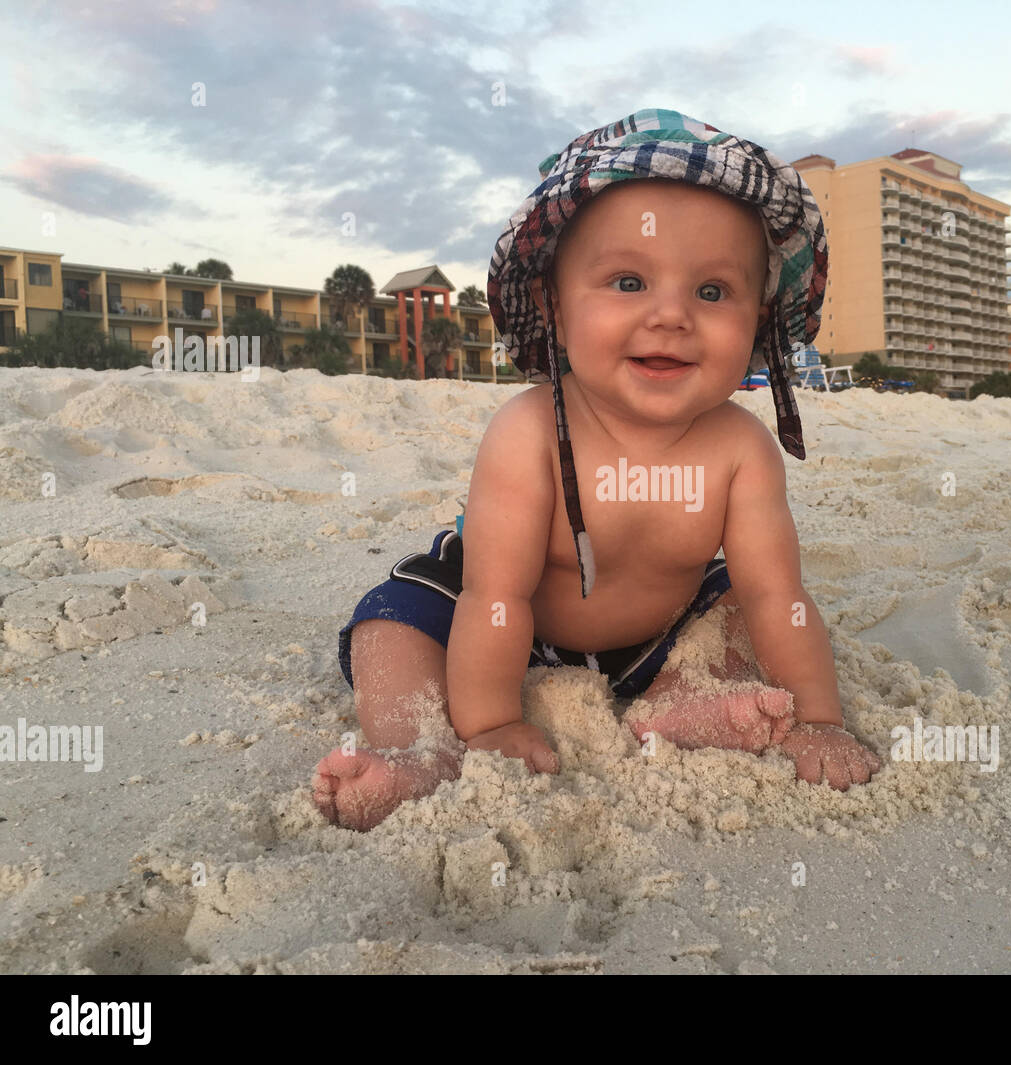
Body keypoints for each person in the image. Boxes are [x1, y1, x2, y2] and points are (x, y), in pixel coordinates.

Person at [314, 109, 882, 831]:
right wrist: (489, 724)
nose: (672, 314)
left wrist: (820, 718)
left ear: (758, 317)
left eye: (712, 292)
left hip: (656, 633)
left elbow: (781, 597)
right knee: (390, 622)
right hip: (499, 626)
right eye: (627, 282)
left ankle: (676, 699)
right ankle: (423, 749)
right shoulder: (527, 432)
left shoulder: (741, 449)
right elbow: (496, 594)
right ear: (554, 304)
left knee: (738, 603)